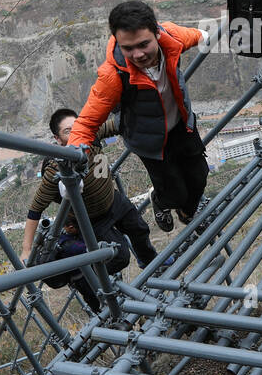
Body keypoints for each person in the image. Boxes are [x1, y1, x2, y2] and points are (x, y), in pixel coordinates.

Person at [67, 1, 209, 233]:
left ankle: (187, 213)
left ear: (157, 32)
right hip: (148, 140)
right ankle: (161, 202)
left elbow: (192, 35)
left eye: (144, 44)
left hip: (182, 126)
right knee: (174, 192)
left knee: (200, 176)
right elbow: (87, 123)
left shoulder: (171, 37)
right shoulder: (113, 76)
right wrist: (73, 163)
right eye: (128, 48)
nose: (138, 54)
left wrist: (207, 35)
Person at [20, 108, 160, 268]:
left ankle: (148, 260)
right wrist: (27, 249)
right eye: (68, 131)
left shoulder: (91, 134)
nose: (75, 133)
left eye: (77, 126)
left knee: (139, 229)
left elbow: (119, 124)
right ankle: (93, 281)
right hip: (93, 219)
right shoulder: (56, 169)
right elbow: (35, 209)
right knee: (119, 256)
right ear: (58, 139)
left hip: (113, 200)